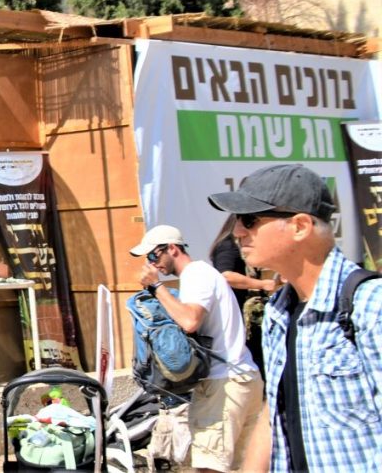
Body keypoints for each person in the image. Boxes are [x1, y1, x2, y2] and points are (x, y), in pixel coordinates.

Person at [209, 164, 382, 473]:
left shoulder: (370, 304)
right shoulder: (277, 311)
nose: (237, 232)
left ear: (300, 226)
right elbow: (274, 412)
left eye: (249, 219)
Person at [130, 224, 263, 473]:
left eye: (153, 255)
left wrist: (157, 287)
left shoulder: (196, 275)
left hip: (223, 384)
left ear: (172, 248)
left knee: (208, 466)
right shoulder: (202, 274)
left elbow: (190, 321)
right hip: (242, 376)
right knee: (244, 467)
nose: (151, 263)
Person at [208, 214, 278, 372]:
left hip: (248, 314)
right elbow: (226, 275)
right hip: (238, 315)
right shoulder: (227, 246)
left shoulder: (241, 247)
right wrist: (262, 284)